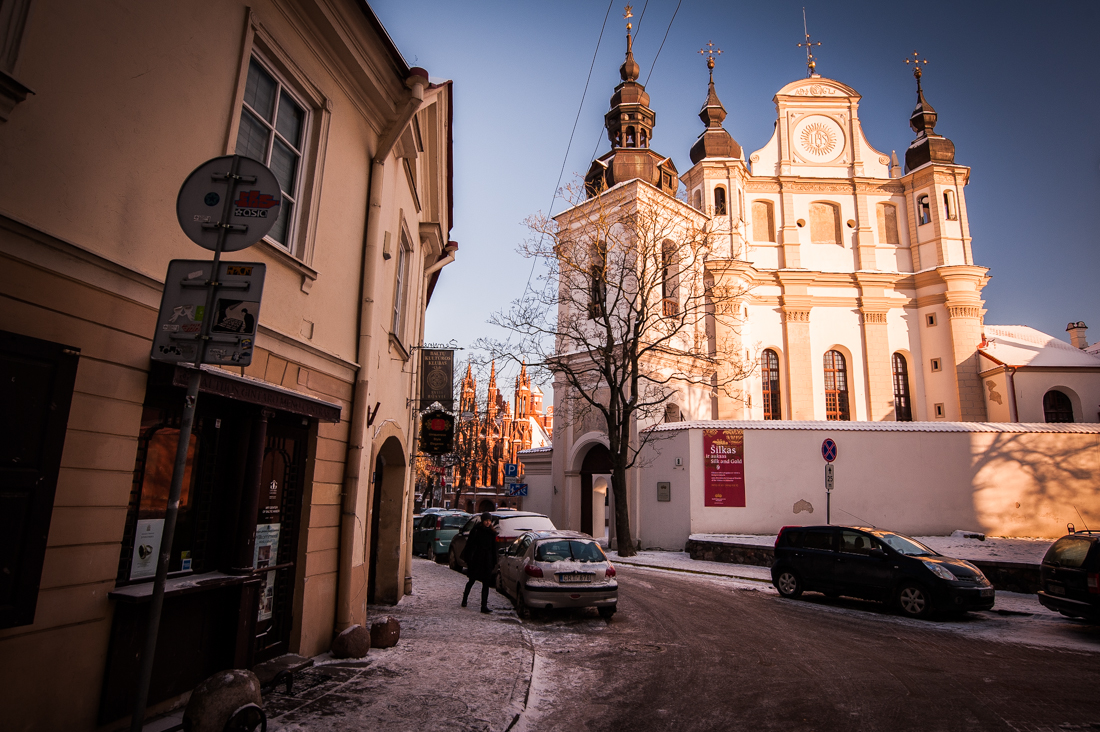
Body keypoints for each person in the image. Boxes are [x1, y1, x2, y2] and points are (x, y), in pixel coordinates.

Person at [461, 512, 497, 613]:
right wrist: (469, 560)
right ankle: (464, 599)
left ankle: (484, 606)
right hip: (477, 561)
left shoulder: (492, 532)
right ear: (482, 521)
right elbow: (470, 546)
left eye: (489, 521)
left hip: (487, 561)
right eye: (486, 521)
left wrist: (494, 561)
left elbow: (494, 548)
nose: (488, 523)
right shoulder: (476, 530)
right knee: (471, 581)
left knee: (486, 584)